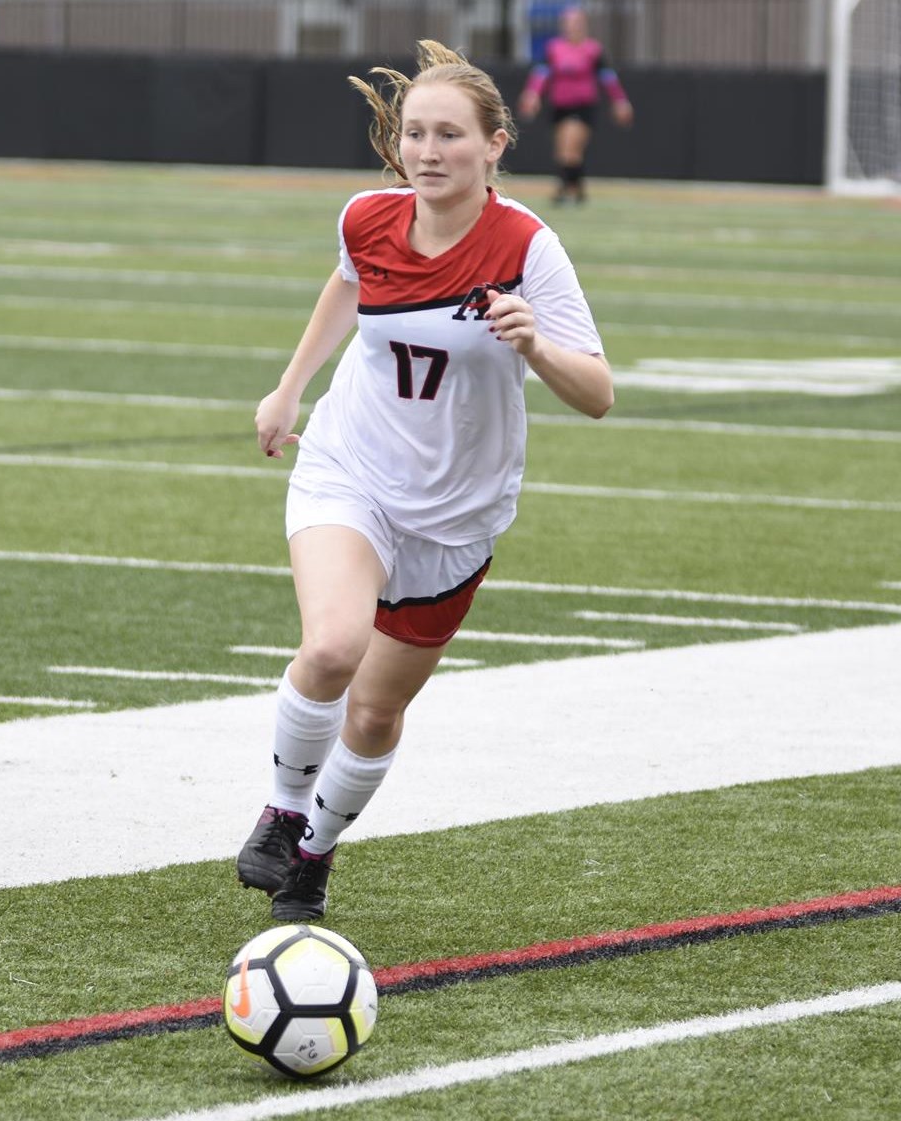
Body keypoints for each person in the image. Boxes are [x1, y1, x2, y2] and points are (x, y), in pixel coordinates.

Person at [237, 40, 614, 920]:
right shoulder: (366, 217)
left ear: (495, 146)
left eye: (450, 135)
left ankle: (315, 858)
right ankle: (283, 811)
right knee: (332, 646)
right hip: (351, 466)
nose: (429, 151)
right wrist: (289, 386)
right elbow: (346, 285)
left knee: (372, 713)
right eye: (415, 134)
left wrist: (536, 343)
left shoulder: (528, 244)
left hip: (456, 514)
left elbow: (597, 393)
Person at [517, 5, 634, 205]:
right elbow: (541, 74)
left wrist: (620, 101)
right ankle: (576, 189)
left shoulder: (592, 50)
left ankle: (564, 190)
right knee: (566, 151)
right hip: (560, 106)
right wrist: (532, 94)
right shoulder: (554, 49)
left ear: (584, 25)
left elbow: (608, 78)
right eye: (568, 23)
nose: (572, 28)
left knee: (570, 146)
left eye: (576, 23)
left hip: (582, 106)